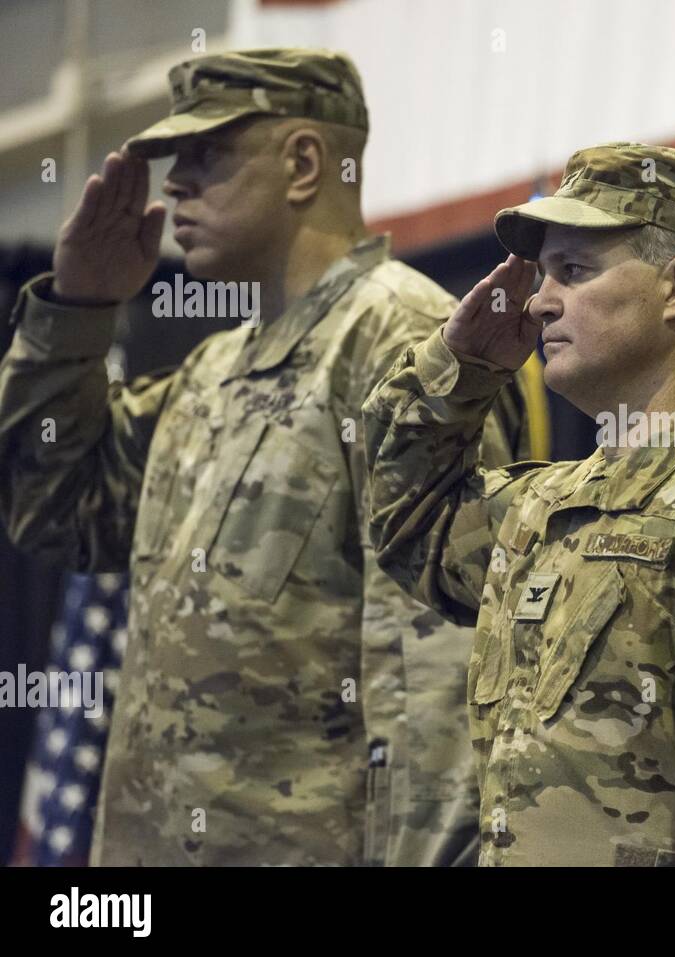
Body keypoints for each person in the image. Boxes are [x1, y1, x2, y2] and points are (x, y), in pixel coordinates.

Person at [0, 48, 531, 865]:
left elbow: (440, 676)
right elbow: (58, 511)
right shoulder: (215, 370)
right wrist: (75, 316)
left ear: (304, 163)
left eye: (205, 154)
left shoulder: (401, 343)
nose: (174, 183)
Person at [364, 142, 675, 865]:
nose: (538, 301)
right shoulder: (543, 506)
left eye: (573, 271)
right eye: (544, 275)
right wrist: (459, 369)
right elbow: (406, 524)